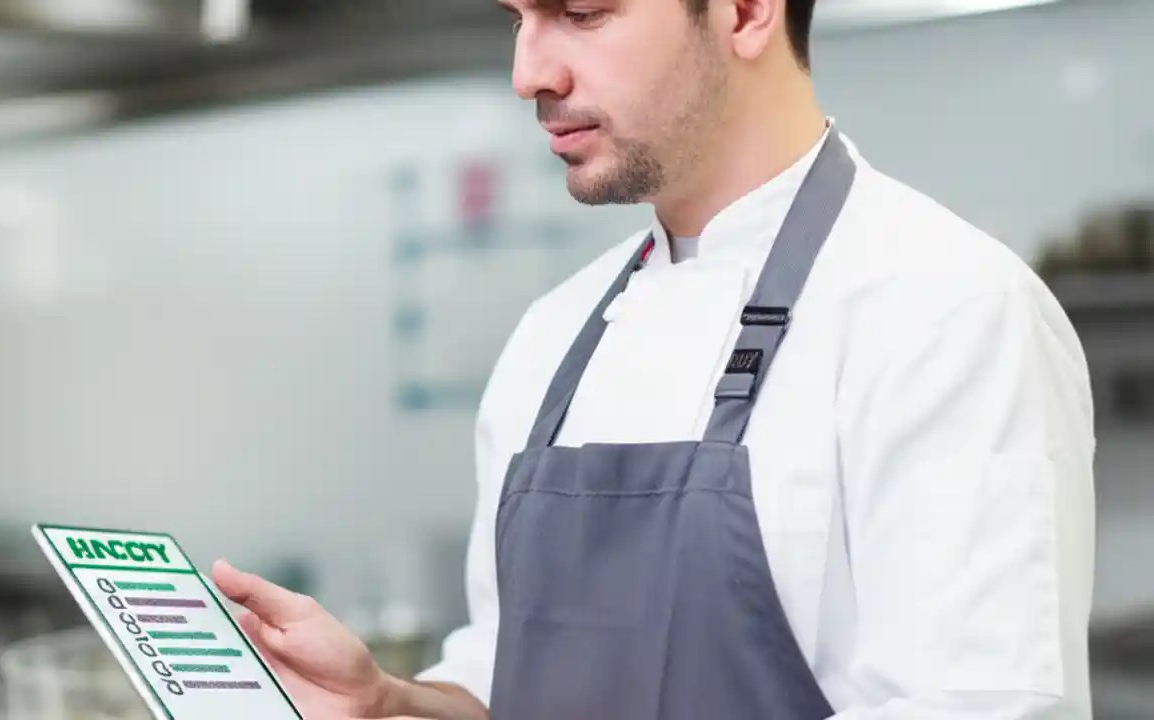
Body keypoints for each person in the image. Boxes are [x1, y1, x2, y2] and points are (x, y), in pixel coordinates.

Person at [212, 0, 1096, 717]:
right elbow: (505, 683)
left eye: (581, 13)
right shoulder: (552, 336)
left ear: (747, 13)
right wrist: (391, 704)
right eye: (518, 18)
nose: (530, 72)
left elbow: (983, 705)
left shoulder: (945, 308)